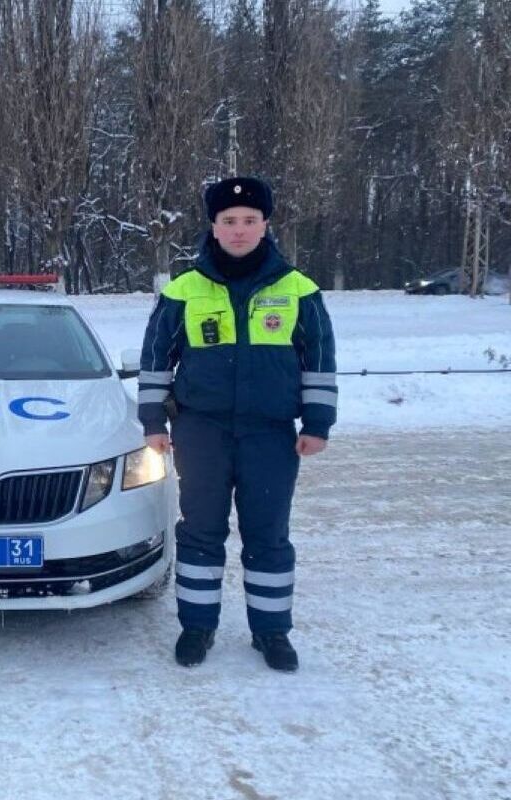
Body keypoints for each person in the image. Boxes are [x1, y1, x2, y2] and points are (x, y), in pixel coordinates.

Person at [137, 176, 337, 672]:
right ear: (214, 226)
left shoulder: (299, 289)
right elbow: (156, 360)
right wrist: (153, 421)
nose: (240, 230)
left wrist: (318, 422)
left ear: (266, 224)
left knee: (267, 534)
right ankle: (197, 627)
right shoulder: (183, 290)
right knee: (201, 532)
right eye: (230, 221)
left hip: (269, 432)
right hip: (200, 431)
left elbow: (319, 360)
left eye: (250, 221)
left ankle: (271, 633)